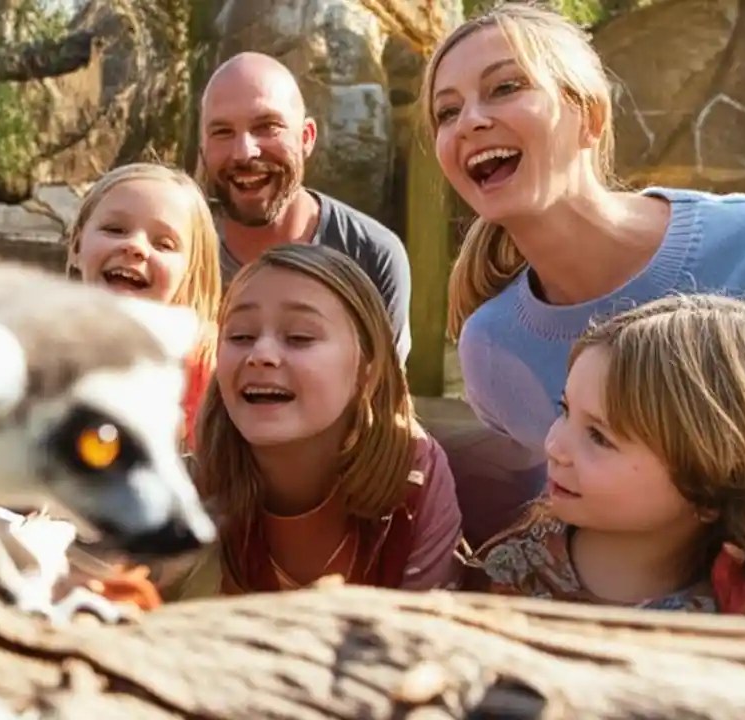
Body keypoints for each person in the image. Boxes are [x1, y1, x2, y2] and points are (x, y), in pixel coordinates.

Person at [420, 3, 745, 544]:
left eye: (505, 88)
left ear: (590, 118)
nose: (471, 121)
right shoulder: (492, 350)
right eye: (446, 112)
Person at [464, 294, 745, 628]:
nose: (553, 445)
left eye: (599, 436)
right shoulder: (507, 573)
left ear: (716, 483)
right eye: (564, 410)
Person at [169, 244, 462, 598]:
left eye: (299, 338)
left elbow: (426, 636)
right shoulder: (189, 489)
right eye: (240, 336)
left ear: (366, 370)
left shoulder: (414, 479)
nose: (260, 355)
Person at [198, 51, 414, 363]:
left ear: (307, 137)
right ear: (203, 146)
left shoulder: (369, 255)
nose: (244, 152)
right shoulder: (175, 251)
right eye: (222, 132)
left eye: (267, 127)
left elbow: (385, 404)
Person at [66, 162, 222, 450]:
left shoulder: (211, 366)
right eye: (115, 229)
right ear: (76, 245)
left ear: (191, 270)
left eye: (164, 244)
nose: (135, 247)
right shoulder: (39, 345)